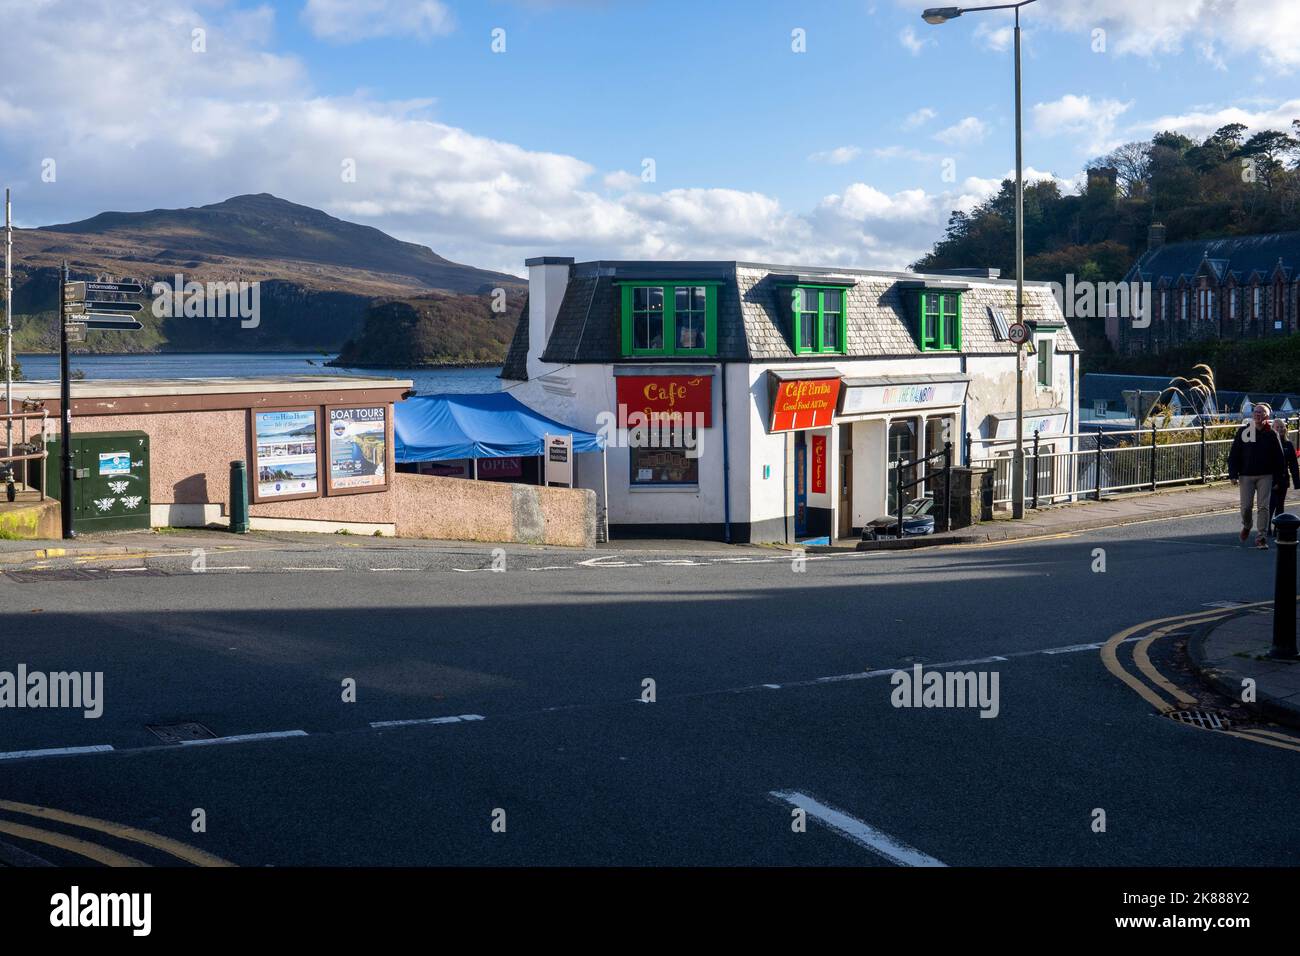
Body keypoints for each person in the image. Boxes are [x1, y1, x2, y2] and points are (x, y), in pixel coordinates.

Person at [1228, 403, 1286, 549]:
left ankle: (1261, 538)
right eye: (1255, 411)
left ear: (1267, 416)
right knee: (1246, 507)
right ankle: (1247, 525)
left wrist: (1279, 479)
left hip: (1265, 475)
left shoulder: (1271, 434)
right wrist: (1233, 474)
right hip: (1246, 475)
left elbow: (1279, 458)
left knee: (1263, 507)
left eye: (1261, 412)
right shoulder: (1245, 431)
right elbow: (1234, 454)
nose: (1257, 414)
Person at [1269, 418, 1300, 533]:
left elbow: (1293, 464)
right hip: (1270, 480)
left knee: (1280, 505)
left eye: (1282, 427)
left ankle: (1278, 528)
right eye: (1278, 427)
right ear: (1273, 429)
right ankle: (1266, 528)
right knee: (1271, 504)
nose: (1281, 429)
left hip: (1283, 480)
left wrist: (1297, 482)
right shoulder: (1269, 444)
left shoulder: (1288, 444)